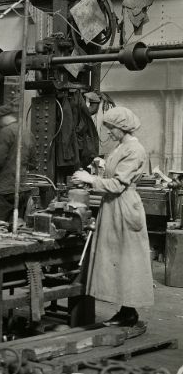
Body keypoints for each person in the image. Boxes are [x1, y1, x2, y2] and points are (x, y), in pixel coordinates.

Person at [71, 107, 153, 327]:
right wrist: (96, 171)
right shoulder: (121, 147)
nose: (110, 133)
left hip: (124, 207)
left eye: (112, 129)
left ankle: (129, 312)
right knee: (116, 260)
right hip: (113, 206)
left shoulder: (134, 149)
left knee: (127, 261)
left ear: (122, 127)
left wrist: (90, 180)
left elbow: (117, 184)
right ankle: (125, 310)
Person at [0, 104, 36, 221]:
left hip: (3, 191)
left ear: (2, 118)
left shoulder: (6, 132)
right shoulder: (28, 133)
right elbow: (33, 164)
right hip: (21, 190)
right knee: (14, 228)